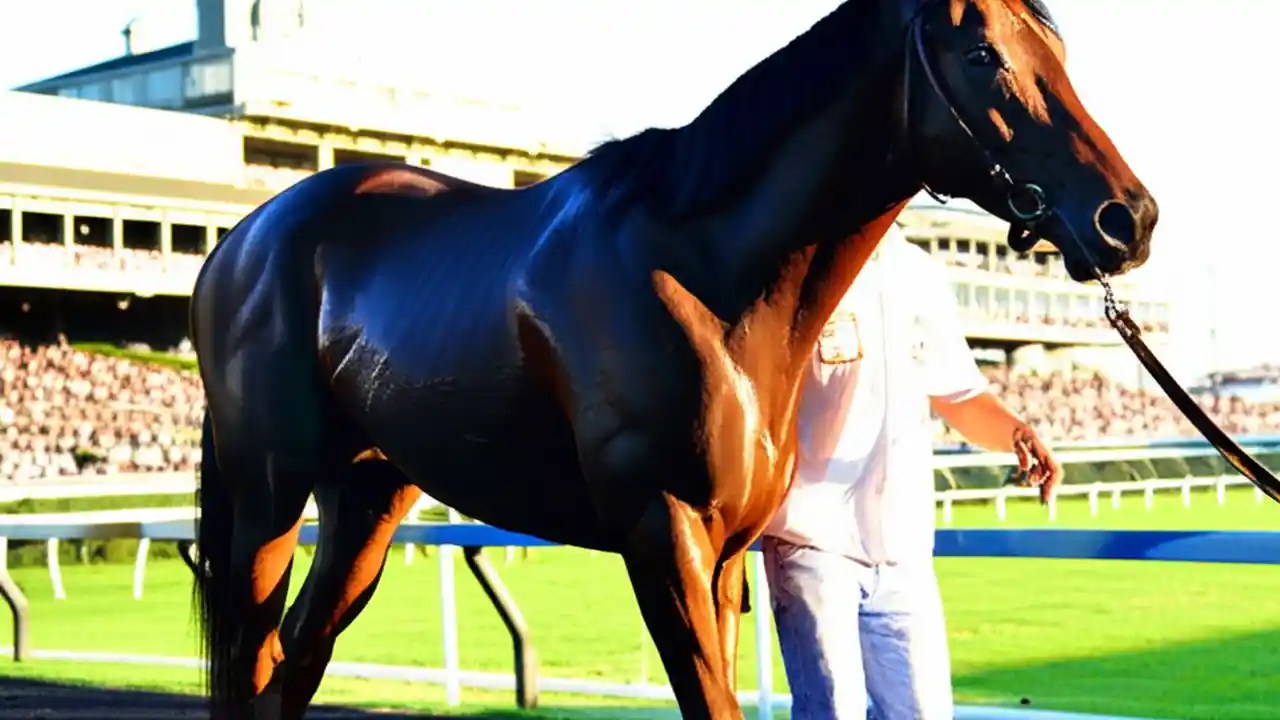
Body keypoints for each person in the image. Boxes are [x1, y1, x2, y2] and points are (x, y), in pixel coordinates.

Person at [761, 222, 1062, 720]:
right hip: (810, 541)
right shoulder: (797, 264)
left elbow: (960, 394)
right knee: (833, 711)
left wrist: (1018, 435)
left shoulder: (920, 273)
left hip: (905, 552)